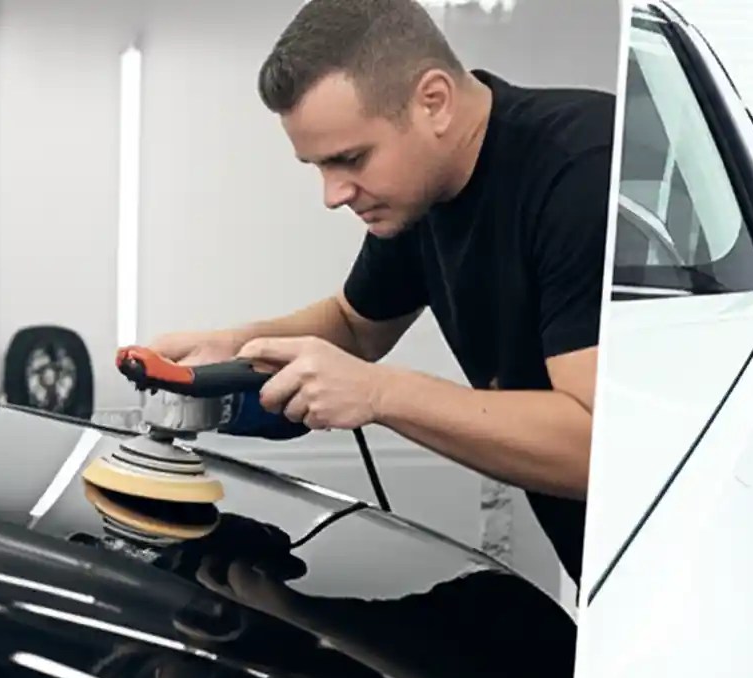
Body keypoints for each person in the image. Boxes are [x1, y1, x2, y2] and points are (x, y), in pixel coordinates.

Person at [148, 0, 614, 587]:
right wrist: (234, 345)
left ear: (434, 101)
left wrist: (379, 394)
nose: (333, 193)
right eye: (318, 166)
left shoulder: (581, 172)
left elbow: (600, 447)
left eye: (349, 159)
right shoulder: (422, 194)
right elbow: (353, 325)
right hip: (597, 567)